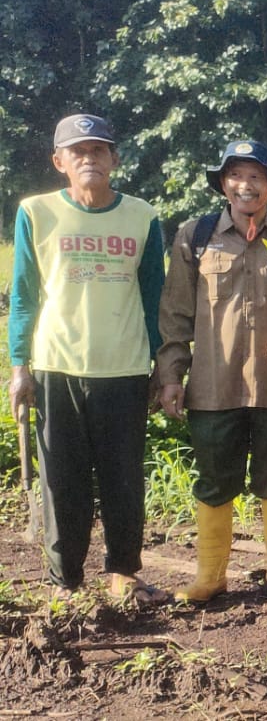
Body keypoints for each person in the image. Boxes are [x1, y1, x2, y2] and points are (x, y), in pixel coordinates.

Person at [158, 139, 267, 602]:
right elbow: (175, 315)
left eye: (256, 177)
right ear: (223, 184)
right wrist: (171, 375)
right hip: (213, 390)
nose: (245, 185)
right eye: (235, 175)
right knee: (215, 480)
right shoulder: (194, 237)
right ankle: (210, 576)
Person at [7, 114, 168, 605]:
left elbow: (153, 297)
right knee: (62, 481)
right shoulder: (36, 213)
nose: (89, 159)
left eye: (99, 150)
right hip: (57, 367)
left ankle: (124, 573)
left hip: (123, 369)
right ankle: (66, 582)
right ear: (59, 162)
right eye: (78, 152)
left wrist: (162, 367)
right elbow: (23, 295)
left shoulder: (142, 216)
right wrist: (19, 366)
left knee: (124, 479)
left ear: (114, 159)